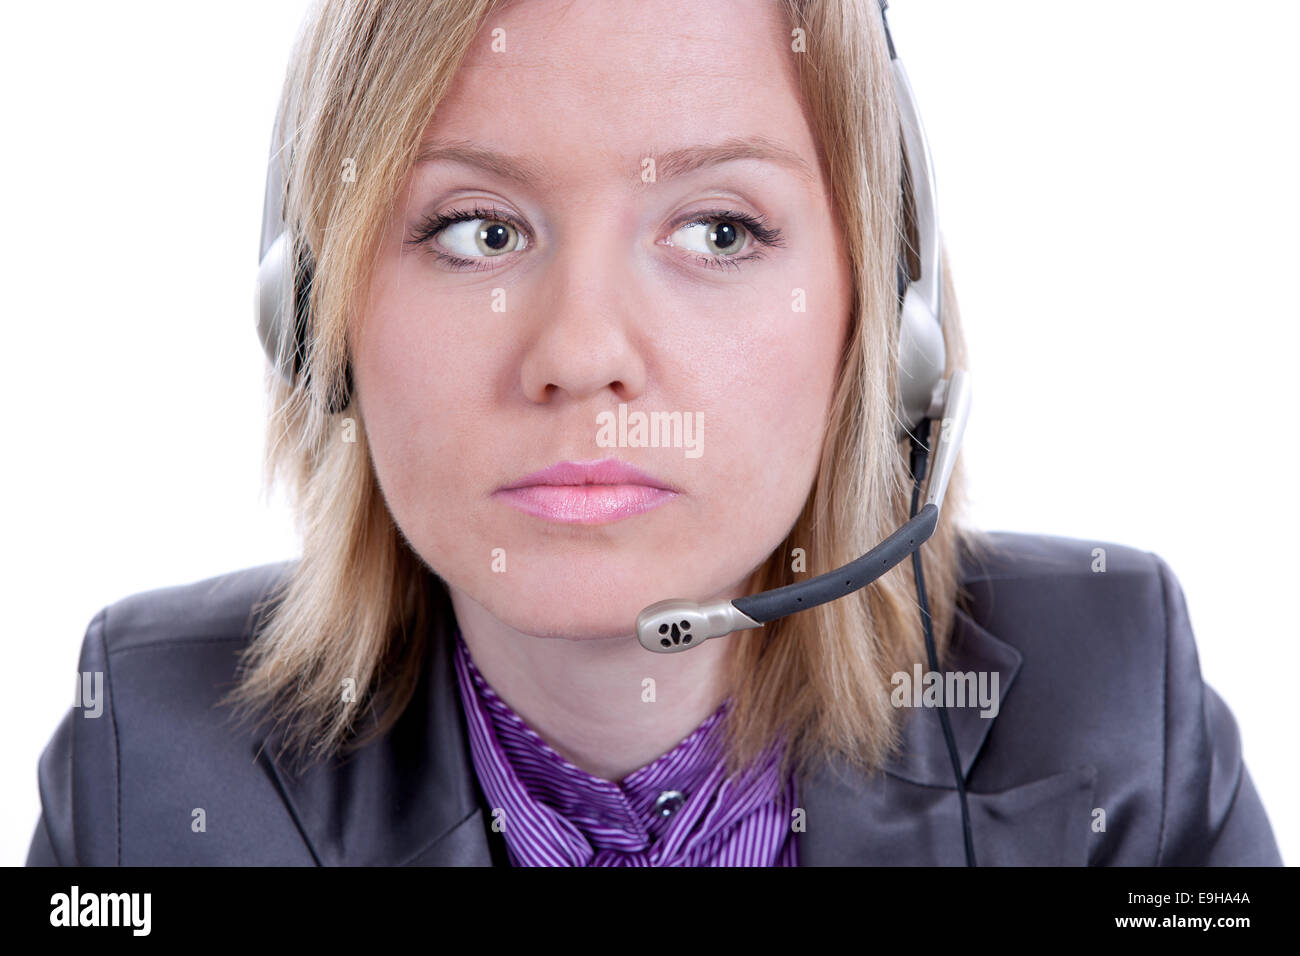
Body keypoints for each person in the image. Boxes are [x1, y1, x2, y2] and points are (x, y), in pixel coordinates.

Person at [25, 0, 1282, 867]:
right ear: (312, 312)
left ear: (885, 319)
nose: (581, 353)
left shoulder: (1116, 709)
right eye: (477, 228)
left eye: (719, 230)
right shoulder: (147, 757)